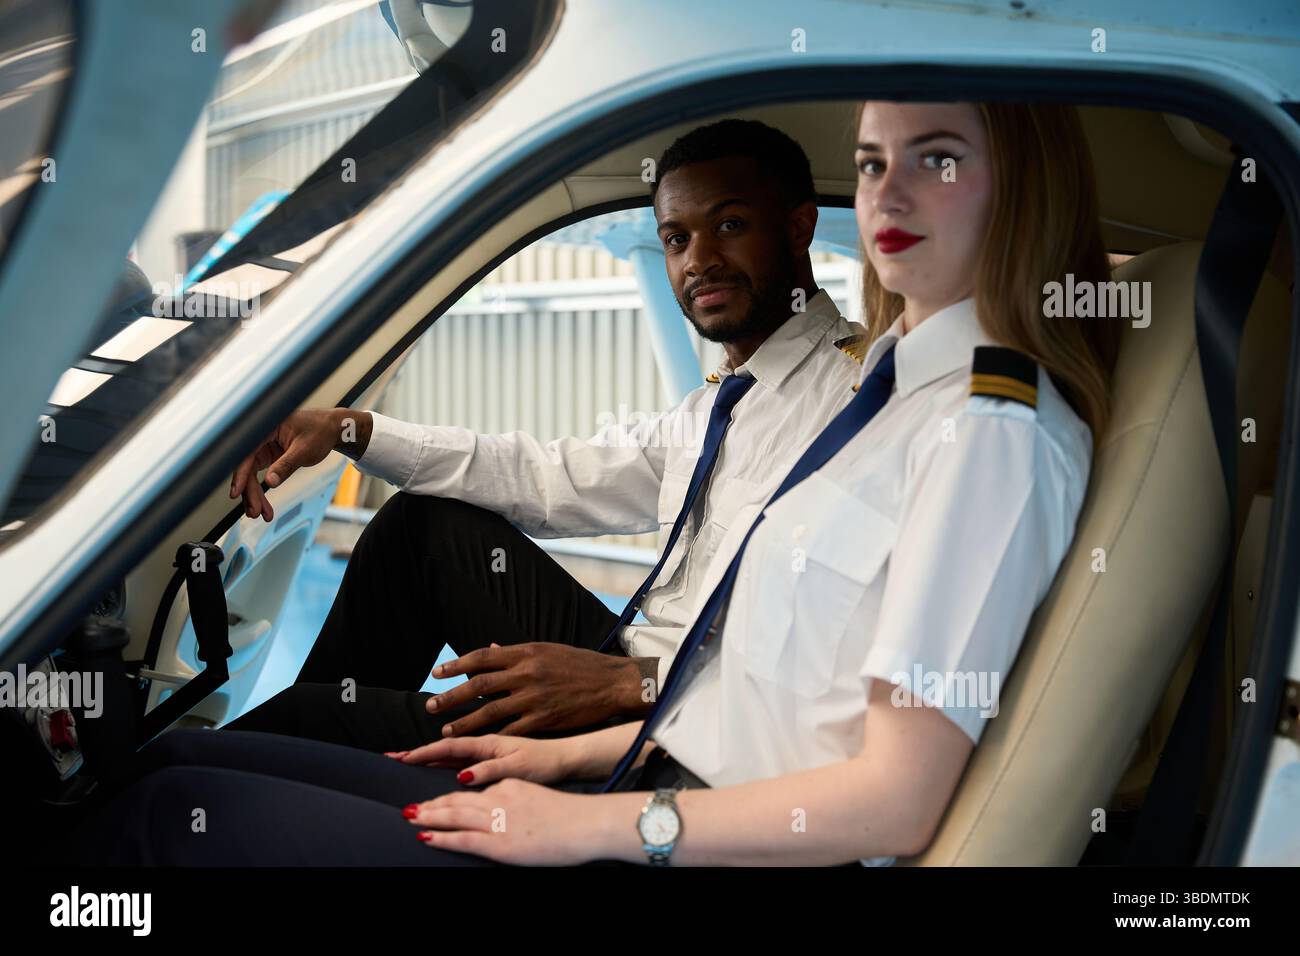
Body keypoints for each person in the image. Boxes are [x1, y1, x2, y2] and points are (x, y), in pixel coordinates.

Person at [63, 99, 1116, 866]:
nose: (887, 193)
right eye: (874, 162)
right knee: (176, 779)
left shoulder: (970, 427)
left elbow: (882, 790)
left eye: (932, 160)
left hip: (680, 812)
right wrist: (595, 752)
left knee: (170, 815)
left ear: (799, 227)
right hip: (650, 761)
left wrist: (594, 791)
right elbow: (762, 676)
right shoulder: (875, 399)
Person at [223, 119, 867, 749]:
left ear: (798, 227)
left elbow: (829, 657)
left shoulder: (854, 403)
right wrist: (349, 428)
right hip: (645, 669)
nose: (698, 261)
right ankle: (317, 768)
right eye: (675, 238)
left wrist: (630, 683)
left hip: (687, 723)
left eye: (729, 226)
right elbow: (544, 478)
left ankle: (266, 773)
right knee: (419, 530)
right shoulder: (716, 408)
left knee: (311, 721)